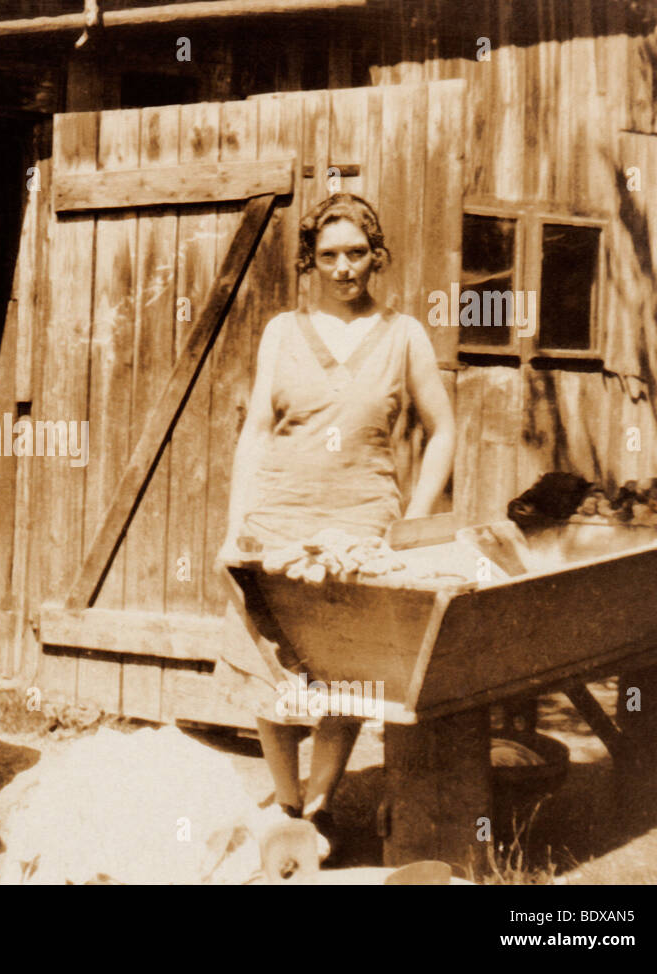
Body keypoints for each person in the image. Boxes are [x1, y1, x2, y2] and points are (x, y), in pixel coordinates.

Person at [216, 193, 455, 861]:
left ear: (375, 255)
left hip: (361, 524)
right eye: (329, 255)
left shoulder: (403, 334)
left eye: (356, 253)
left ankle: (321, 806)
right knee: (271, 665)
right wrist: (237, 530)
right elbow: (257, 431)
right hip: (278, 516)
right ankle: (286, 803)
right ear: (310, 261)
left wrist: (409, 528)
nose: (344, 267)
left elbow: (444, 432)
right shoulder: (282, 332)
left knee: (346, 672)